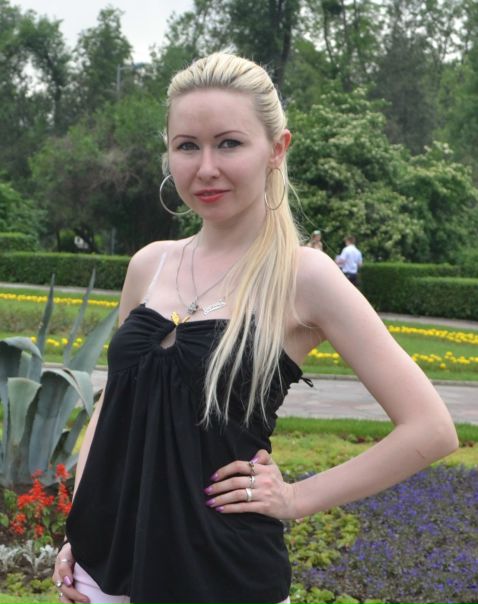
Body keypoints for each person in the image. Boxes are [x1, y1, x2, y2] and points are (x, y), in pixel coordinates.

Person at [52, 52, 458, 604]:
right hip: (101, 575)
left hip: (223, 576)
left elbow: (431, 429)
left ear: (276, 149)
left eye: (229, 143)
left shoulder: (303, 275)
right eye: (187, 146)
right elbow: (113, 405)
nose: (205, 168)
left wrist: (296, 498)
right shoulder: (150, 264)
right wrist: (77, 527)